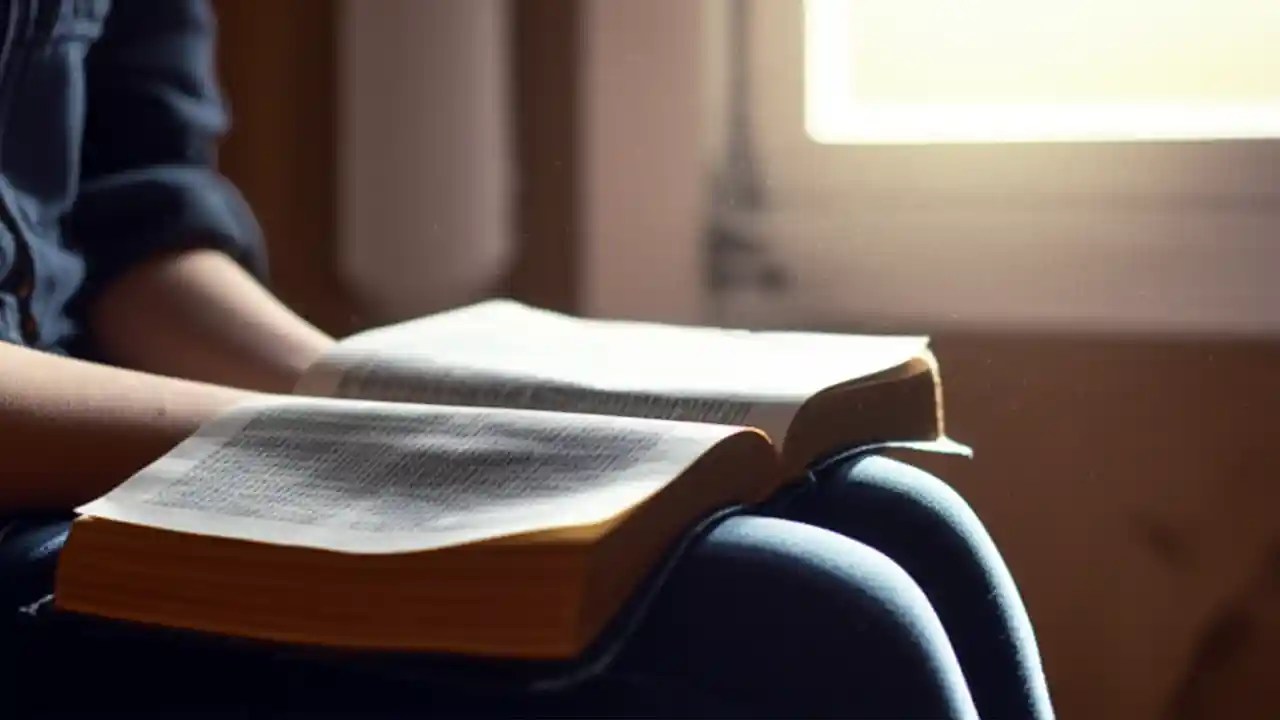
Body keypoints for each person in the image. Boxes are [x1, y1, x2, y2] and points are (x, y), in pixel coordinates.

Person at [0, 1, 1055, 717]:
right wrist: (362, 452)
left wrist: (373, 393)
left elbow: (130, 217)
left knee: (900, 519)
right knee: (818, 621)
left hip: (87, 450)